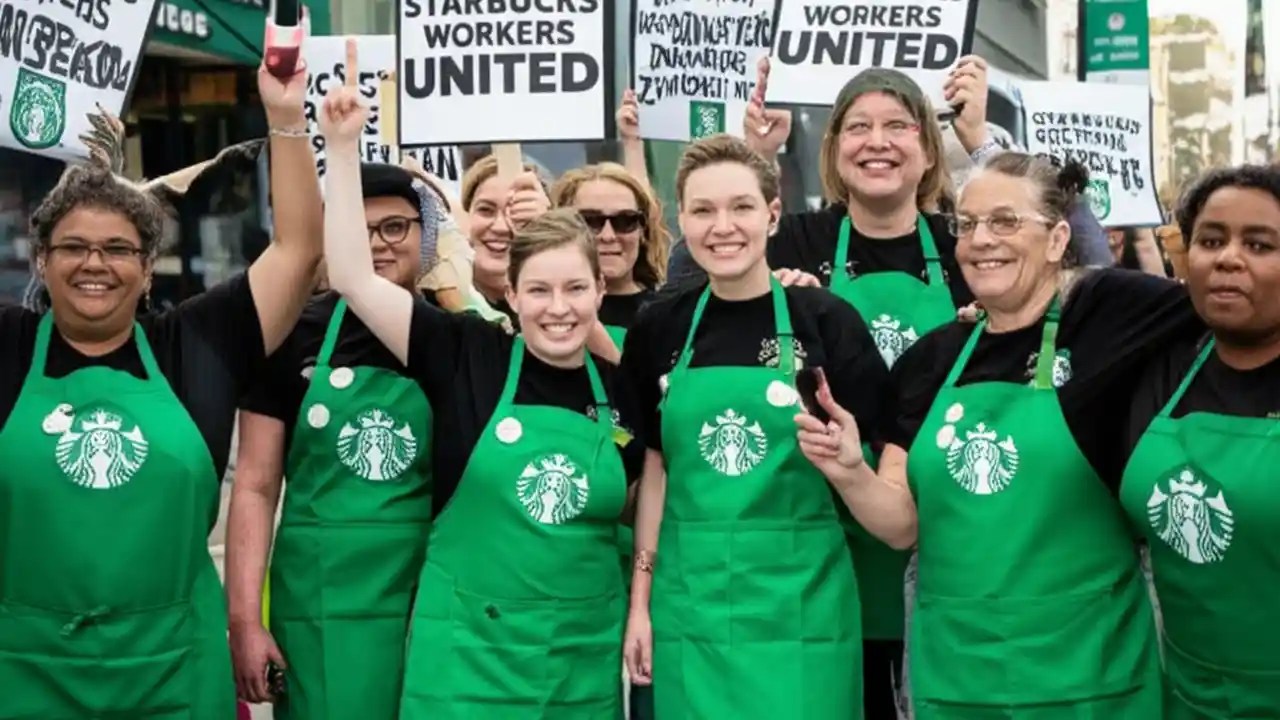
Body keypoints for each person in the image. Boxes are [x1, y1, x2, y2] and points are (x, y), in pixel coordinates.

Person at [0, 58, 321, 717]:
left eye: (118, 248)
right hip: (24, 670)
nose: (95, 263)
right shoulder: (6, 348)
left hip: (176, 671)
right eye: (73, 247)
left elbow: (298, 248)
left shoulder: (197, 346)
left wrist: (287, 116)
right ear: (42, 260)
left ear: (148, 269)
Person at [319, 74, 643, 718]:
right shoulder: (467, 352)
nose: (558, 309)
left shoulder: (624, 389)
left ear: (600, 295)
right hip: (466, 668)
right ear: (511, 294)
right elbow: (354, 277)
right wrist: (343, 146)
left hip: (580, 670)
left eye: (576, 289)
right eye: (540, 291)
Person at [870, 152, 1204, 717]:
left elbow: (1229, 303)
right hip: (958, 677)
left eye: (1005, 221)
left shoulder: (1106, 313)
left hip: (1088, 678)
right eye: (968, 224)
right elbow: (900, 519)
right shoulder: (934, 358)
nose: (981, 240)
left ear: (1056, 240)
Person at [619, 134, 894, 718]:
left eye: (741, 207)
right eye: (703, 210)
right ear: (682, 220)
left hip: (803, 612)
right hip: (689, 609)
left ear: (772, 214)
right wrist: (640, 604)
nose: (723, 226)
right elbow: (656, 467)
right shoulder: (659, 328)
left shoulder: (826, 320)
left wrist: (850, 467)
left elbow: (884, 480)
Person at [226, 151, 445, 714]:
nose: (379, 243)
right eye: (358, 228)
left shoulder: (455, 338)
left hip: (435, 599)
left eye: (395, 226)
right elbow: (253, 484)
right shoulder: (290, 332)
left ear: (424, 234)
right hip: (321, 603)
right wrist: (245, 621)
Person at [1121, 164, 1280, 717]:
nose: (1228, 258)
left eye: (1259, 244)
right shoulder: (1155, 368)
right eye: (1211, 240)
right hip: (1184, 695)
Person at [459, 153, 552, 323]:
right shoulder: (436, 305)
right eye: (486, 210)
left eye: (518, 213)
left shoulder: (561, 309)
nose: (500, 227)